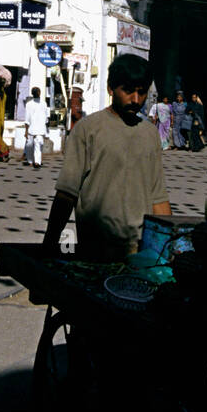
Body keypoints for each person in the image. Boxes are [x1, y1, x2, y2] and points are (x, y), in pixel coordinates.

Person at [42, 54, 170, 262]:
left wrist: (168, 246)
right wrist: (49, 243)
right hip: (96, 249)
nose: (136, 100)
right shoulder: (88, 130)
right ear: (111, 89)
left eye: (142, 92)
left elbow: (158, 198)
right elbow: (67, 193)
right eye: (128, 91)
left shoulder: (150, 133)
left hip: (142, 250)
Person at [23, 86, 48, 169]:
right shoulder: (29, 104)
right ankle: (30, 161)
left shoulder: (43, 103)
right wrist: (26, 131)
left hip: (39, 128)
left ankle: (37, 161)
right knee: (30, 145)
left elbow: (45, 117)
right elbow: (27, 119)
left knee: (38, 144)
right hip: (32, 127)